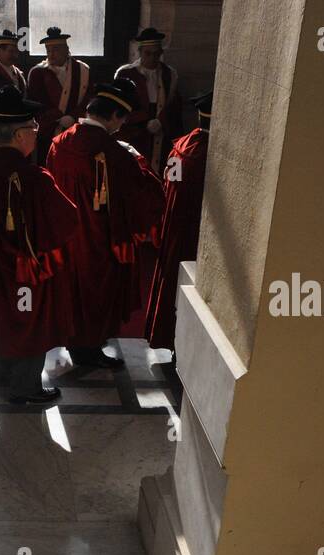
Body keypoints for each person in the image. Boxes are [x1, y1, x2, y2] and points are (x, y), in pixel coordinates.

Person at [0, 87, 79, 405]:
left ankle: (1, 375)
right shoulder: (33, 178)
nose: (36, 134)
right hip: (22, 270)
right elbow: (67, 221)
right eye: (34, 128)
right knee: (28, 320)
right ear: (20, 134)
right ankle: (25, 386)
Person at [47, 79, 163, 368]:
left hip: (64, 235)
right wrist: (139, 159)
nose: (120, 127)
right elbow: (148, 193)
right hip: (99, 239)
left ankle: (76, 343)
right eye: (121, 120)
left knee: (71, 291)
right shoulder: (115, 154)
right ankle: (89, 351)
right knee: (95, 293)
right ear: (113, 116)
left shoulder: (59, 142)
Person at [145, 91, 212, 356]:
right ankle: (181, 346)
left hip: (172, 222)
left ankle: (167, 338)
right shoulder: (208, 154)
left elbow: (168, 182)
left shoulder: (182, 144)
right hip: (191, 230)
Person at [114, 27, 183, 174]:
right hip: (135, 131)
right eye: (148, 53)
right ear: (139, 52)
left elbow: (175, 105)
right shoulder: (125, 73)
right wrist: (145, 121)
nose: (152, 58)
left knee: (163, 170)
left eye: (156, 54)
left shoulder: (169, 74)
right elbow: (119, 106)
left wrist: (160, 121)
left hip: (162, 129)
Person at [26, 27, 90, 166]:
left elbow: (88, 99)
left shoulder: (82, 70)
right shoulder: (37, 73)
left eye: (55, 50)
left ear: (66, 49)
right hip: (48, 130)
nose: (51, 54)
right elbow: (35, 102)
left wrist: (73, 117)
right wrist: (57, 118)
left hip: (75, 129)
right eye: (48, 50)